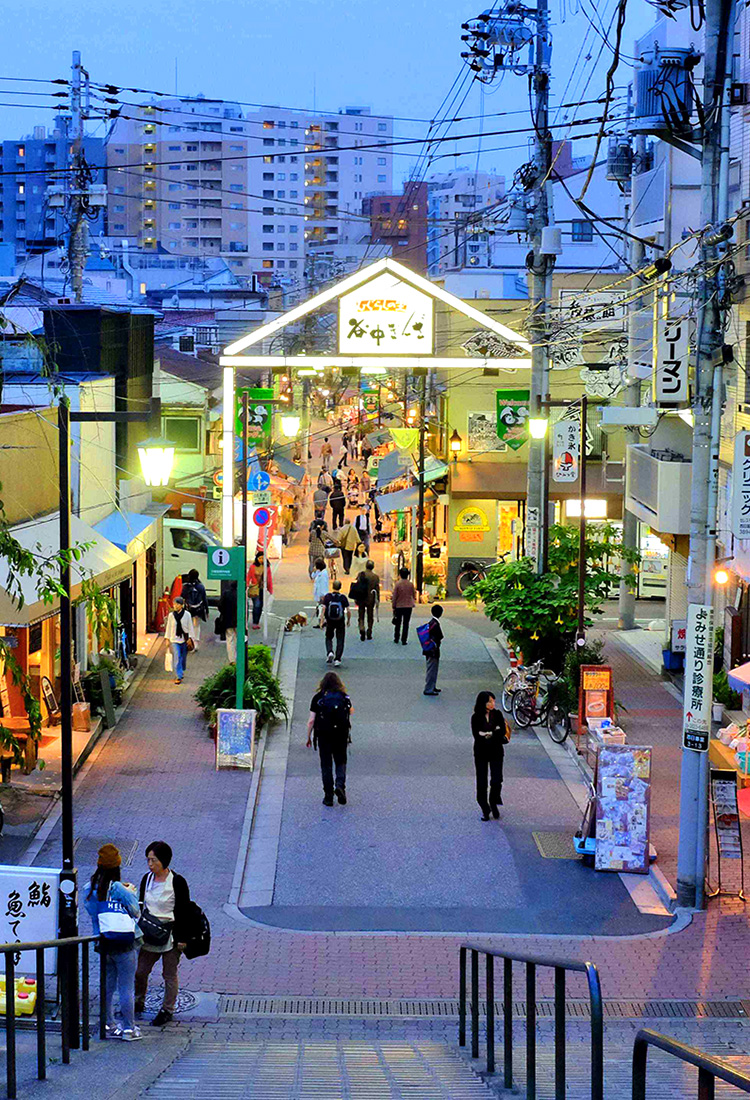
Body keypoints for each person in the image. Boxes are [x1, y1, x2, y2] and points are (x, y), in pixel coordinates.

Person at [84, 844, 142, 1041]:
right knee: (126, 987)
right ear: (117, 867)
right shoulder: (118, 888)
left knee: (107, 986)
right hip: (124, 944)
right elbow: (135, 911)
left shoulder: (89, 888)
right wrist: (131, 892)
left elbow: (92, 912)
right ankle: (128, 1029)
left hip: (103, 943)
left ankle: (107, 1023)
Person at [135, 841, 192, 1027]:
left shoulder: (177, 881)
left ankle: (167, 1009)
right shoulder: (146, 879)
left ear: (164, 861)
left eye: (154, 860)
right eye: (148, 860)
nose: (150, 864)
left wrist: (183, 938)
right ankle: (138, 1001)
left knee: (169, 974)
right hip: (149, 933)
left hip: (171, 934)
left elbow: (184, 911)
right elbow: (141, 904)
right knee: (141, 971)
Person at [306, 671, 353, 806]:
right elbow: (350, 711)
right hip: (341, 734)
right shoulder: (344, 697)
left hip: (324, 735)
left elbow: (311, 720)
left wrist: (308, 737)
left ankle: (328, 796)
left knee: (326, 764)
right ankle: (340, 785)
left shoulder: (318, 698)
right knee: (340, 761)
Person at [471, 691, 509, 820]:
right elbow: (477, 735)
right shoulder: (476, 717)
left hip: (496, 751)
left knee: (497, 780)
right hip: (481, 752)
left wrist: (489, 734)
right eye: (490, 701)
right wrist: (493, 732)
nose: (493, 704)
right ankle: (485, 808)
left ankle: (493, 802)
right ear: (483, 703)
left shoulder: (498, 714)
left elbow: (502, 731)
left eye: (493, 701)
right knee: (481, 781)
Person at [165, 596, 196, 685]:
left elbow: (190, 627)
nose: (175, 606)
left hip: (184, 639)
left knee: (183, 658)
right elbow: (169, 627)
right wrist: (167, 639)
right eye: (174, 604)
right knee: (177, 656)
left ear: (182, 605)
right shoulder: (171, 615)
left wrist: (191, 638)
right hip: (174, 639)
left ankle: (181, 670)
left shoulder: (187, 615)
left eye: (177, 604)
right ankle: (178, 676)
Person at [322, 579, 350, 666]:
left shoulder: (328, 597)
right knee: (340, 639)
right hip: (340, 621)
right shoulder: (343, 598)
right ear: (340, 587)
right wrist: (348, 620)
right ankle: (337, 659)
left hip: (330, 621)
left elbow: (323, 609)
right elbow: (348, 610)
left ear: (332, 586)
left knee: (328, 637)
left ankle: (330, 652)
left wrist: (322, 620)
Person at [181, 569, 208, 650]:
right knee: (196, 626)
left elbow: (182, 597)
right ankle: (195, 643)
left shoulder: (186, 586)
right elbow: (204, 598)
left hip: (189, 609)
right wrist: (207, 610)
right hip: (198, 609)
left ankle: (189, 642)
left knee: (188, 625)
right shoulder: (200, 586)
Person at [353, 559, 380, 640]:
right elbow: (377, 589)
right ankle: (369, 630)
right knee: (370, 615)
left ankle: (362, 627)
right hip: (370, 598)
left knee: (361, 614)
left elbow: (356, 586)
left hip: (361, 597)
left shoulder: (361, 574)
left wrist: (355, 597)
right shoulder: (375, 577)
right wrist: (377, 599)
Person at [247, 550, 273, 630]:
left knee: (260, 605)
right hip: (254, 588)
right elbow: (248, 576)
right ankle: (254, 622)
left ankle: (256, 621)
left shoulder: (267, 567)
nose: (261, 559)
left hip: (262, 589)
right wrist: (247, 585)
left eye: (263, 558)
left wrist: (270, 589)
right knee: (257, 605)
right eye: (260, 558)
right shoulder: (253, 567)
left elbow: (269, 579)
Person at [391, 566, 417, 645]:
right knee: (406, 623)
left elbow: (395, 596)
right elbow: (414, 594)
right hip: (408, 606)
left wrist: (393, 605)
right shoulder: (410, 584)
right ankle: (404, 639)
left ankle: (396, 637)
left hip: (399, 606)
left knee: (398, 623)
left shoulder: (398, 584)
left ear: (400, 574)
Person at [423, 604, 444, 697]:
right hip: (433, 651)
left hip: (429, 649)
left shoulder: (431, 623)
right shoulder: (435, 624)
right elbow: (440, 636)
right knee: (432, 669)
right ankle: (429, 688)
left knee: (432, 669)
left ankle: (432, 686)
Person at [217, 581, 238, 662]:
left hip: (228, 620)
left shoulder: (226, 593)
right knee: (238, 639)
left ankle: (232, 660)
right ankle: (238, 657)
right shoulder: (240, 594)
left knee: (230, 639)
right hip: (238, 621)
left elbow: (220, 606)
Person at [312, 557, 329, 627]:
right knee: (319, 608)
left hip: (322, 594)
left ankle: (321, 622)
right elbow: (313, 576)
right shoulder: (319, 572)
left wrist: (323, 594)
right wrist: (314, 571)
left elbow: (324, 585)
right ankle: (321, 622)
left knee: (321, 608)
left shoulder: (324, 574)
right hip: (318, 593)